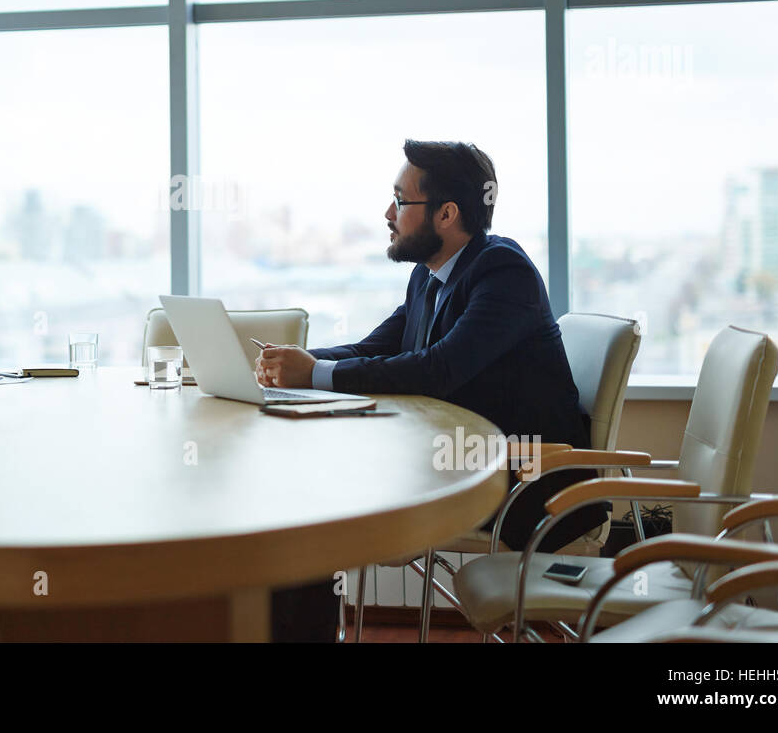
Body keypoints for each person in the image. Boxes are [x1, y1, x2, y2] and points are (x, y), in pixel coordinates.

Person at [257, 140, 606, 640]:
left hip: (524, 477)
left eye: (400, 201)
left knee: (314, 500)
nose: (387, 213)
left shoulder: (501, 271)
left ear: (446, 213)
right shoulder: (429, 274)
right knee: (304, 495)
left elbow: (438, 369)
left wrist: (311, 375)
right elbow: (376, 347)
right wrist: (298, 363)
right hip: (460, 458)